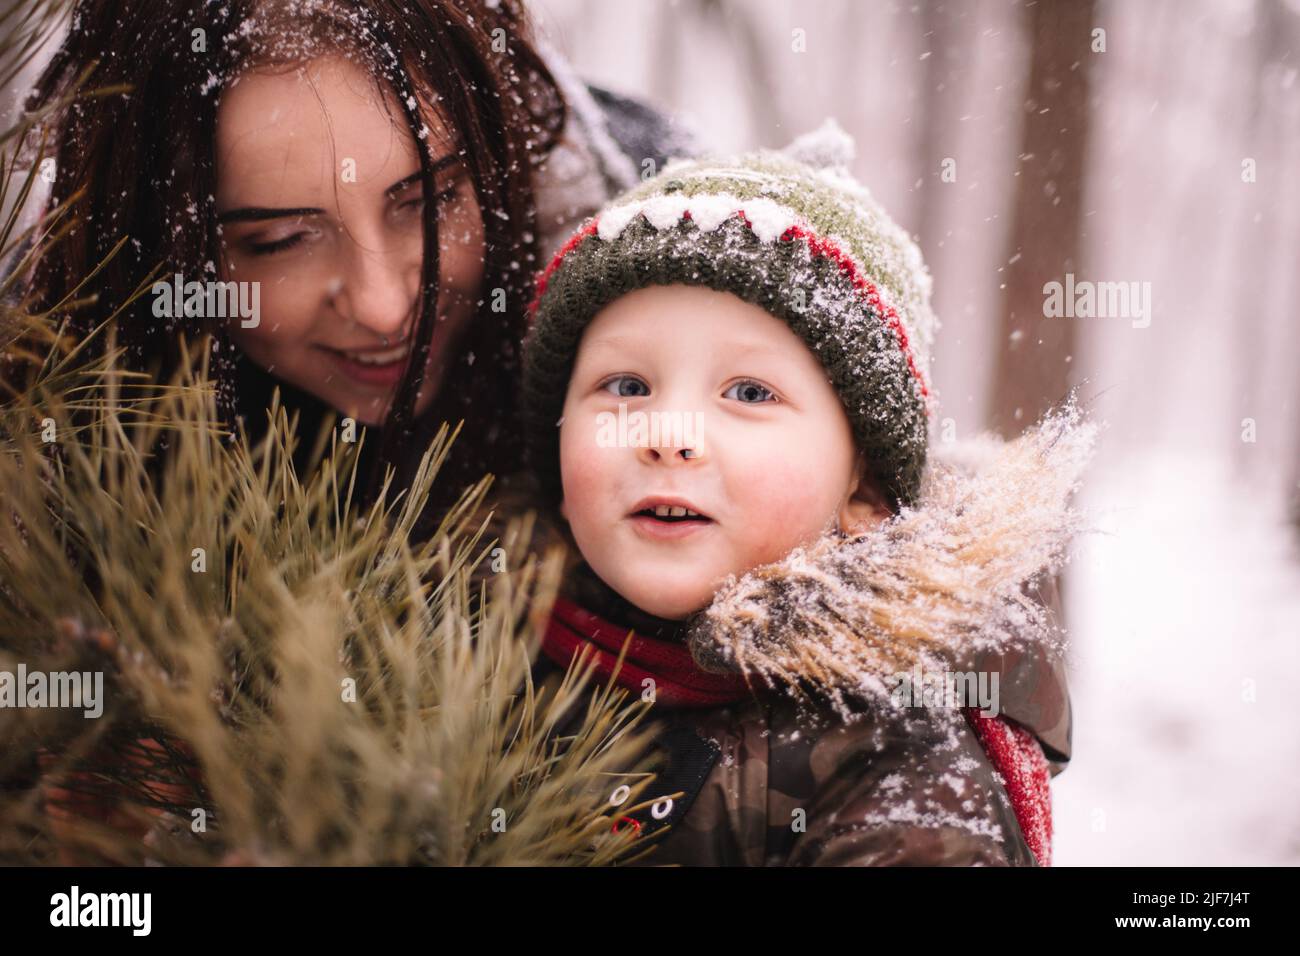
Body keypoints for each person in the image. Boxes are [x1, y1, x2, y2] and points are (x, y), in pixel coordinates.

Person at [514, 122, 1094, 865]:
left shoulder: (898, 745)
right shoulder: (486, 643)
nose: (669, 434)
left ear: (866, 492)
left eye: (749, 392)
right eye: (626, 385)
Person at [10, 0, 696, 520]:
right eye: (280, 242)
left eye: (428, 202)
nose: (384, 307)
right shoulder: (36, 441)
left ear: (501, 155)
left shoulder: (706, 278)